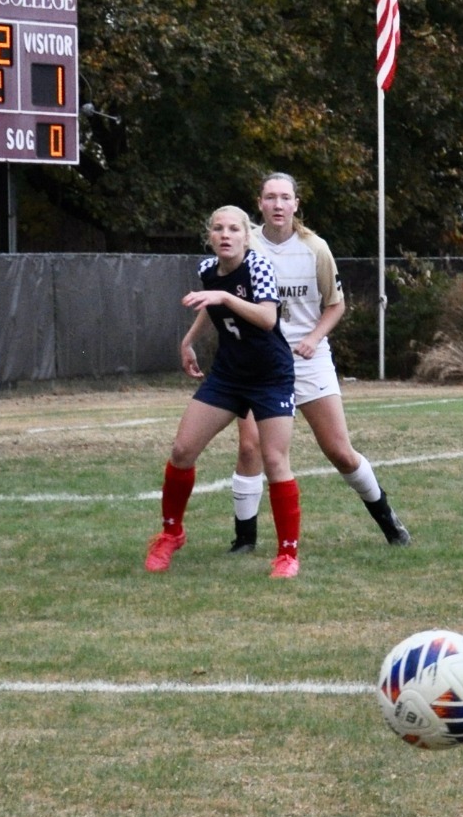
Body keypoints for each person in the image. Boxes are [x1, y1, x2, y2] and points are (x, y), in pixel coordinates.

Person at [225, 172, 408, 553]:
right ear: (259, 203)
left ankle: (388, 519)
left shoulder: (315, 248)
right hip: (259, 363)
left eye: (285, 198)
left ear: (296, 204)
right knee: (249, 448)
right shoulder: (246, 244)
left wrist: (312, 338)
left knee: (339, 450)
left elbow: (335, 304)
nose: (278, 205)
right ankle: (244, 539)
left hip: (307, 361)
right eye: (270, 197)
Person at [145, 206, 301, 579]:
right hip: (228, 376)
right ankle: (171, 534)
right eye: (218, 229)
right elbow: (210, 305)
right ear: (210, 236)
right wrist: (188, 340)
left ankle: (287, 554)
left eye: (234, 229)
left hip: (269, 376)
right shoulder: (207, 270)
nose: (226, 234)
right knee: (182, 450)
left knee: (275, 460)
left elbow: (267, 319)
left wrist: (224, 298)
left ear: (247, 237)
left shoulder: (258, 267)